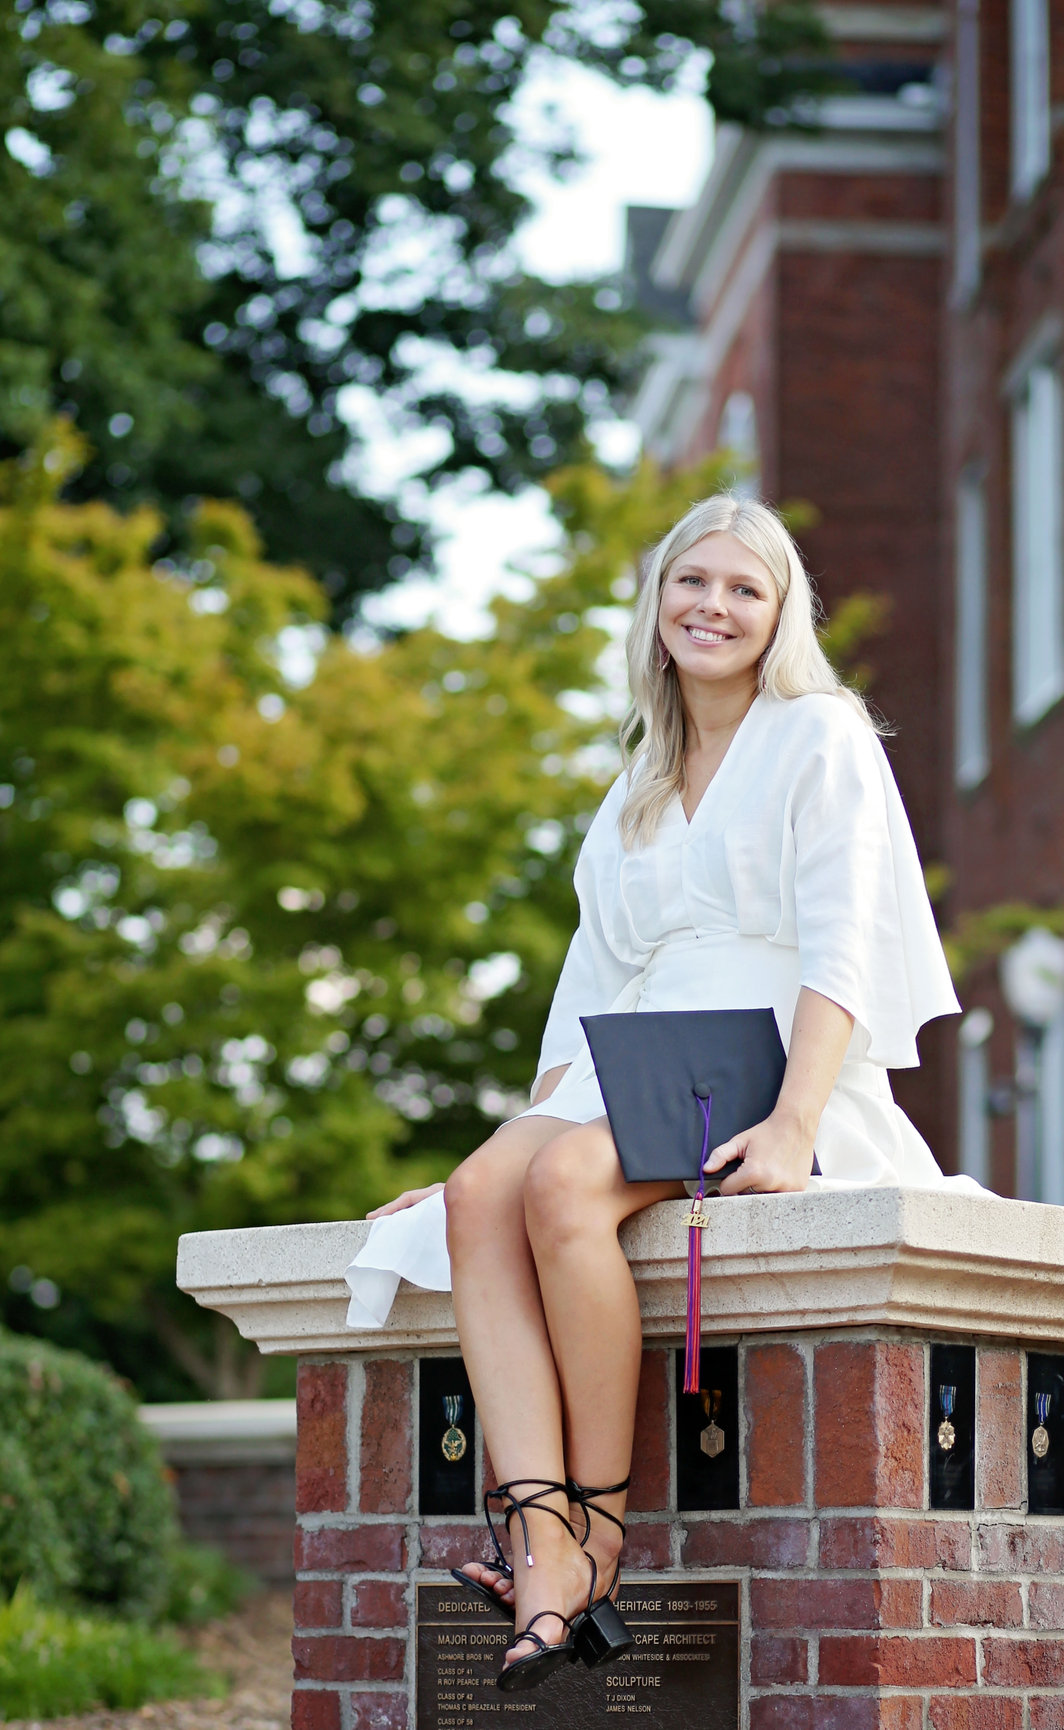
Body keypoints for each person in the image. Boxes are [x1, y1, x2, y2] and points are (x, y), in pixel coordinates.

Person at [362, 494, 975, 1692]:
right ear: (656, 607)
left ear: (779, 613)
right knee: (489, 1187)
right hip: (629, 1047)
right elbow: (586, 980)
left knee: (564, 1184)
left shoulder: (819, 732)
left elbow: (843, 935)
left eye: (745, 588)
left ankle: (593, 1535)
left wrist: (797, 1119)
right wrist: (485, 1145)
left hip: (760, 1039)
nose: (714, 606)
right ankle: (539, 1544)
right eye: (692, 582)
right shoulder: (636, 779)